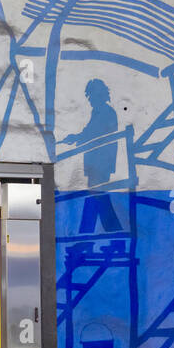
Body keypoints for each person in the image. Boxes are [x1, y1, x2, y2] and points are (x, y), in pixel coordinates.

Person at [62, 78, 124, 232]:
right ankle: (105, 231)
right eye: (89, 97)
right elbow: (89, 132)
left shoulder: (106, 112)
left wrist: (76, 138)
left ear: (100, 95)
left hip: (100, 163)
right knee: (97, 196)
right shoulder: (99, 112)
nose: (90, 100)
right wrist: (76, 138)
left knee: (96, 195)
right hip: (97, 164)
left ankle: (90, 233)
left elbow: (93, 133)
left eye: (91, 96)